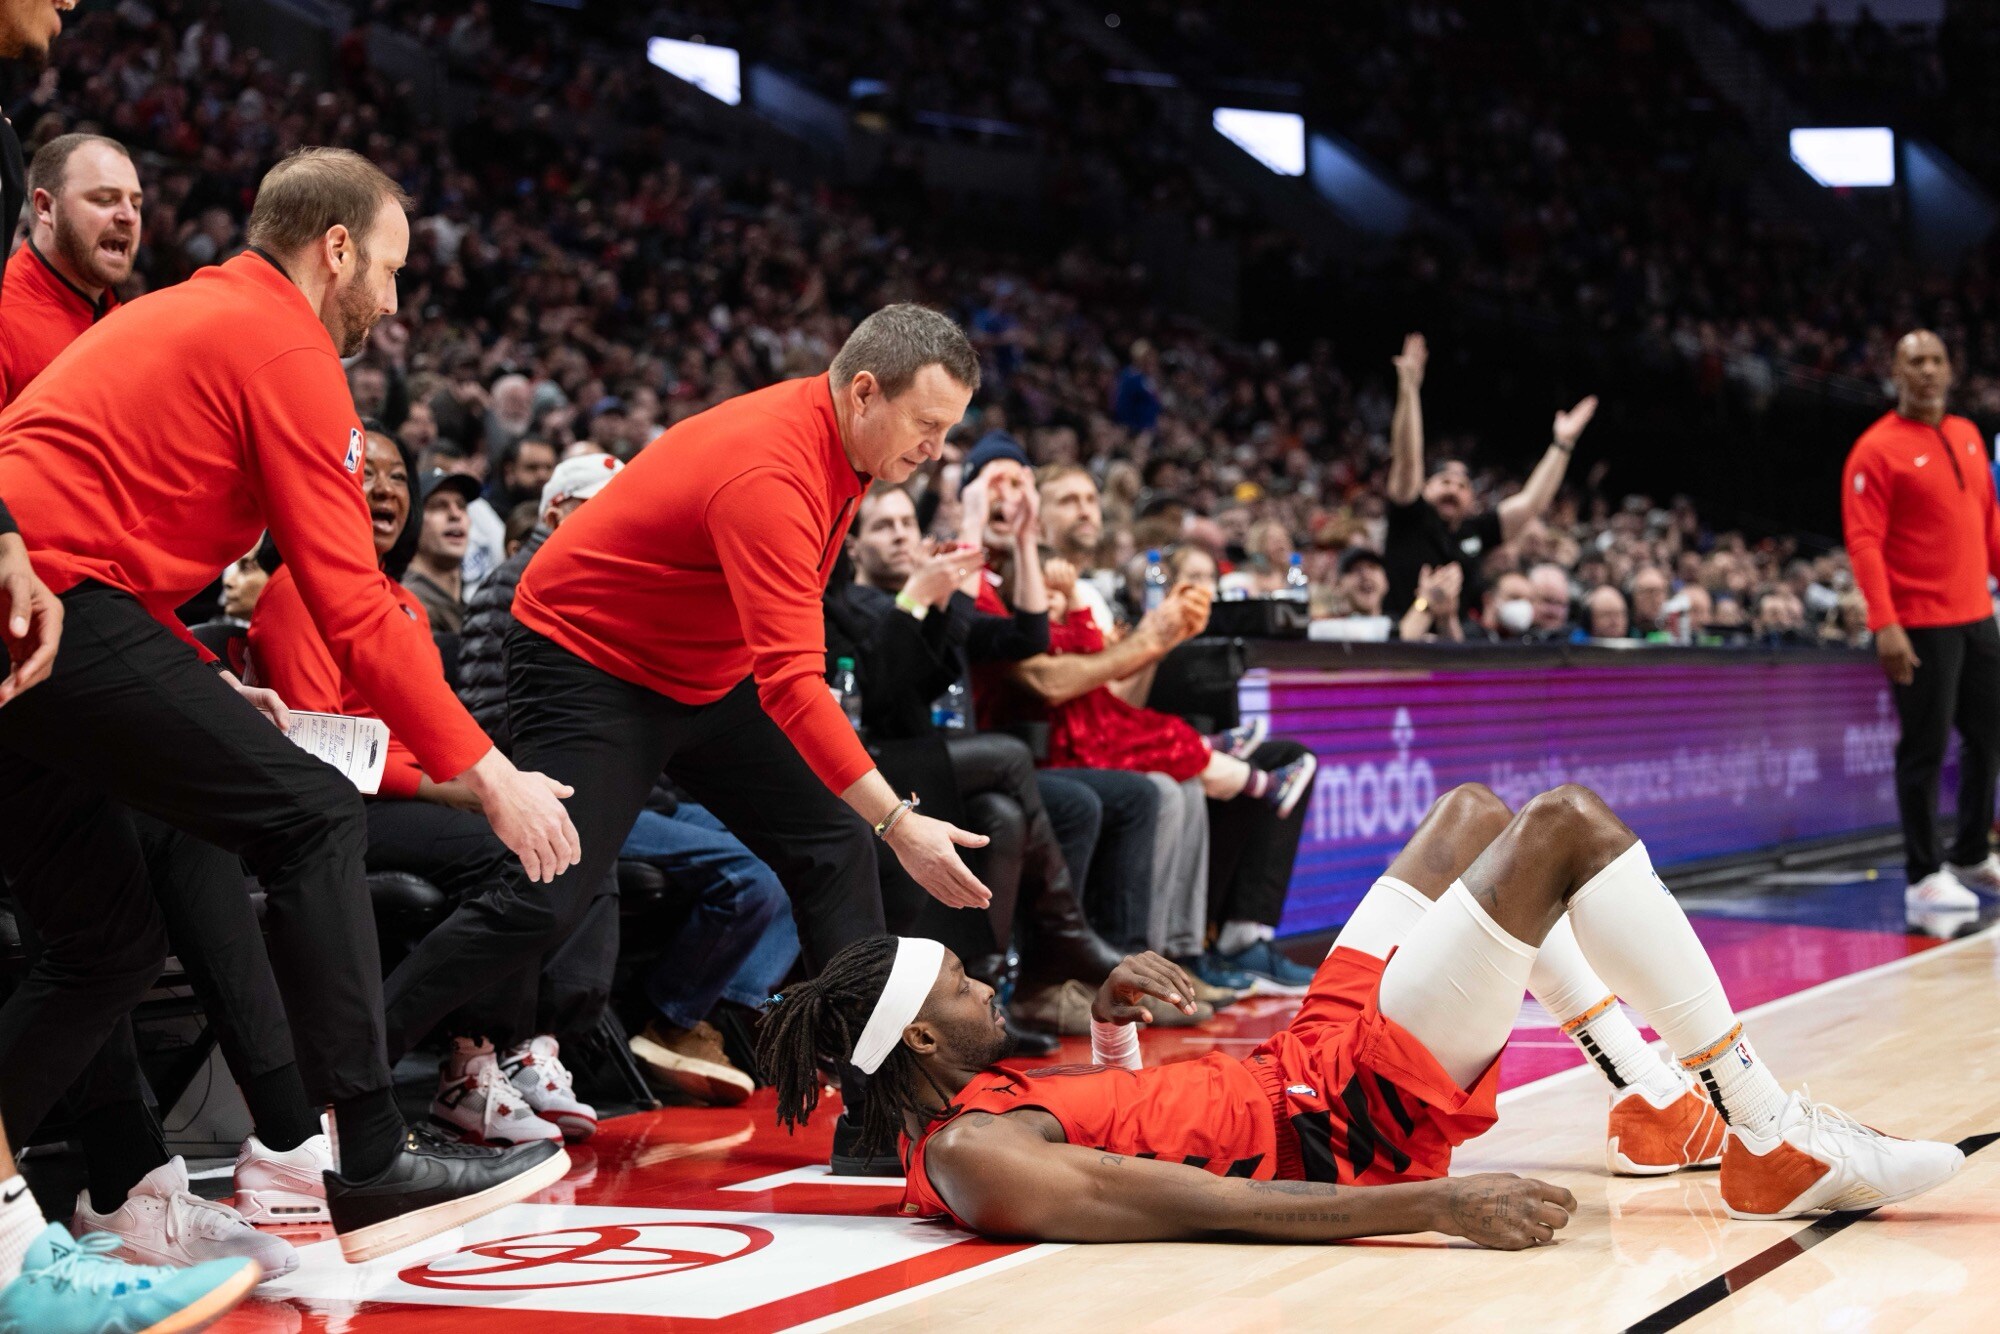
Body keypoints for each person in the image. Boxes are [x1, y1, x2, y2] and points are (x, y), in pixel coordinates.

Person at [0, 146, 578, 1266]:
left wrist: (193, 668)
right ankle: (365, 1154)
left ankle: (259, 1156)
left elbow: (103, 524)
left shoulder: (204, 313)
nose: (394, 302)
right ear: (337, 248)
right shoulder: (281, 340)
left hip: (40, 605)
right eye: (392, 270)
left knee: (105, 947)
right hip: (41, 598)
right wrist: (488, 774)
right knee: (311, 814)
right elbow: (351, 601)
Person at [760, 782, 1964, 1244]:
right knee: (1565, 828)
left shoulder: (975, 1106)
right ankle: (1759, 1127)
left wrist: (1112, 1029)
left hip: (1296, 1058)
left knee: (1470, 815)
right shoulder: (972, 1155)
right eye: (962, 985)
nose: (990, 981)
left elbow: (1113, 1120)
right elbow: (1194, 1201)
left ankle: (1649, 1102)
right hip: (1341, 1116)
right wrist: (1428, 1204)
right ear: (921, 1037)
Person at [390, 304, 994, 1174]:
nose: (936, 449)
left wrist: (876, 822)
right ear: (865, 392)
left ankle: (874, 1125)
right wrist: (899, 821)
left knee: (831, 844)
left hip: (701, 672)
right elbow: (793, 685)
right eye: (928, 425)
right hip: (587, 660)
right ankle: (341, 1082)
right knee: (546, 889)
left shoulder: (845, 446)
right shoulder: (772, 469)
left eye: (949, 431)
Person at [247, 427, 599, 1146]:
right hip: (339, 809)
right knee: (513, 851)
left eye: (398, 478)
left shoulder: (400, 602)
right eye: (366, 473)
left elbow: (441, 733)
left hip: (410, 794)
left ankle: (527, 1047)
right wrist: (461, 790)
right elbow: (316, 747)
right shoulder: (296, 590)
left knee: (571, 832)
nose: (384, 490)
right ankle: (462, 1065)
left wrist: (495, 782)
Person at [457, 451, 801, 1106]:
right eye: (598, 509)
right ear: (554, 514)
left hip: (651, 788)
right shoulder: (513, 588)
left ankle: (725, 1009)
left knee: (793, 847)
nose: (619, 525)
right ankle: (673, 1017)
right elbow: (495, 725)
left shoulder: (626, 590)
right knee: (749, 875)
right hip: (571, 795)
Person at [830, 478, 1120, 1045]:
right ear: (855, 545)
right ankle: (1065, 933)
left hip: (930, 760)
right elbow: (884, 693)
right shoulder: (850, 602)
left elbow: (1024, 636)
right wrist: (929, 590)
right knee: (1012, 756)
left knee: (1001, 816)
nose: (899, 535)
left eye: (906, 524)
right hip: (875, 769)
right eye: (883, 526)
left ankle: (986, 1006)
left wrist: (1023, 540)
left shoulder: (912, 599)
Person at [1842, 329, 2000, 912]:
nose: (1928, 371)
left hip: (1977, 616)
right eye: (1915, 362)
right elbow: (1864, 541)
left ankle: (1971, 852)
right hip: (1918, 624)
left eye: (1936, 360)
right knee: (1925, 749)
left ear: (1951, 370)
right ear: (1896, 372)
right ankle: (1923, 874)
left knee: (1990, 736)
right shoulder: (1874, 450)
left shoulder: (1967, 435)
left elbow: (1987, 523)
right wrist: (1884, 623)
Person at [1383, 331, 1597, 615]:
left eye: (1462, 486)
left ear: (1472, 499)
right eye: (1445, 481)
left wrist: (1562, 444)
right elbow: (1407, 460)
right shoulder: (1409, 515)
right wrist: (1409, 388)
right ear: (1425, 488)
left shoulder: (1474, 532)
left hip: (1451, 638)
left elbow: (1531, 503)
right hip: (1398, 636)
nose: (1453, 489)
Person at [0, 134, 139, 403]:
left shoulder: (128, 322)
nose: (129, 216)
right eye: (104, 199)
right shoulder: (6, 316)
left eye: (135, 204)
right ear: (45, 207)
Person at [402, 468, 478, 635]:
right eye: (438, 506)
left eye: (462, 506)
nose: (455, 514)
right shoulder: (409, 603)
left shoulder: (466, 603)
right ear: (413, 522)